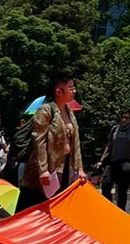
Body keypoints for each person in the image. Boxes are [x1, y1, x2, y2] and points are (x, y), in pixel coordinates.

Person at [17, 75, 84, 211]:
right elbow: (39, 141)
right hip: (46, 171)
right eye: (70, 88)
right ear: (58, 91)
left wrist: (80, 168)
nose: (74, 91)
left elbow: (75, 142)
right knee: (35, 208)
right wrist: (43, 170)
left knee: (57, 209)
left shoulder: (69, 111)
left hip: (64, 168)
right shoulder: (45, 110)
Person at [98, 110, 130, 211]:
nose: (123, 119)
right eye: (122, 117)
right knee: (106, 184)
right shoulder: (115, 129)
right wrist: (101, 159)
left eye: (126, 118)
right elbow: (109, 145)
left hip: (126, 163)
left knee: (122, 190)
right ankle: (110, 208)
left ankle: (120, 211)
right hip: (113, 162)